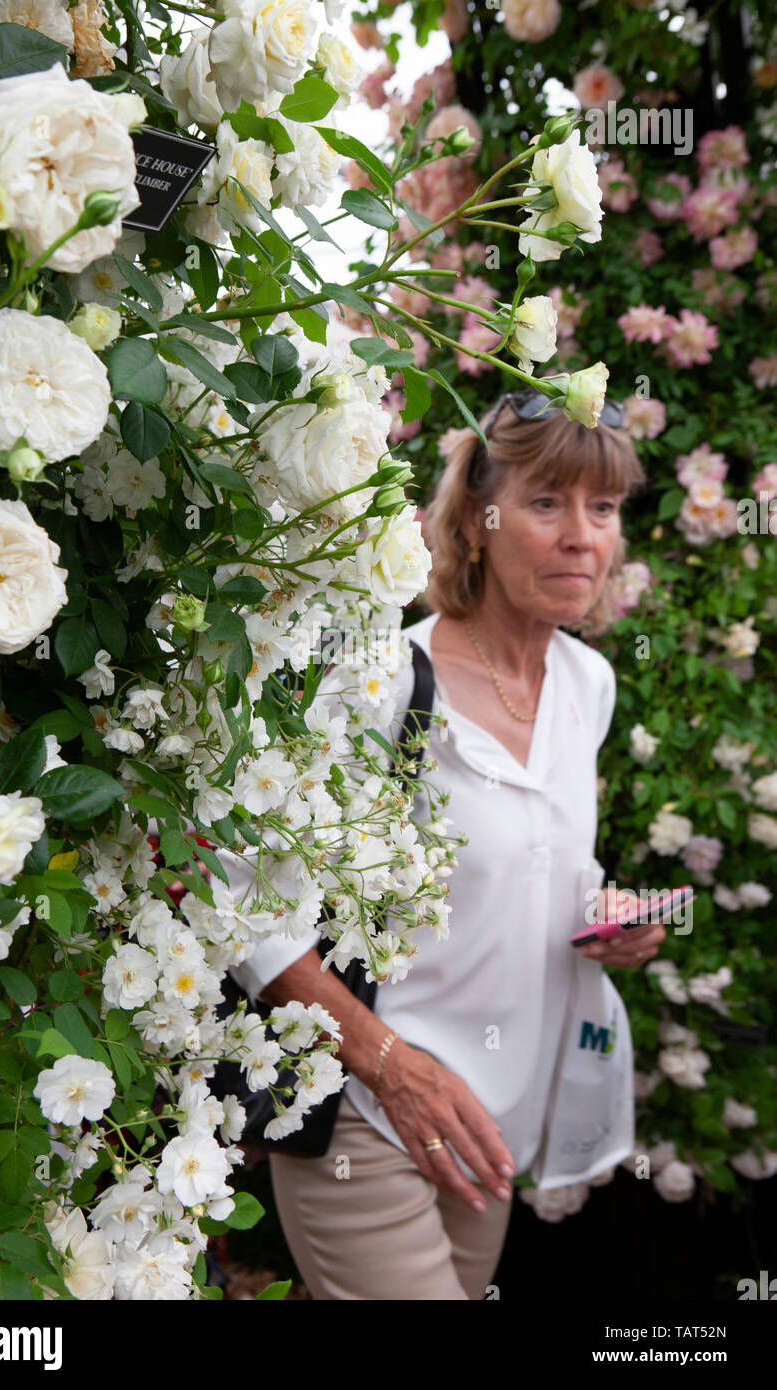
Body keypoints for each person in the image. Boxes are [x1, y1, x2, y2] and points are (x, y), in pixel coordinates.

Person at [229, 389, 667, 1301]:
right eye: (547, 503)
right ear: (475, 520)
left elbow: (546, 861)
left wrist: (606, 914)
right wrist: (394, 1070)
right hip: (370, 1108)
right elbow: (246, 901)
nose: (583, 536)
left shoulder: (588, 683)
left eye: (604, 506)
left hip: (489, 1120)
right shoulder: (383, 679)